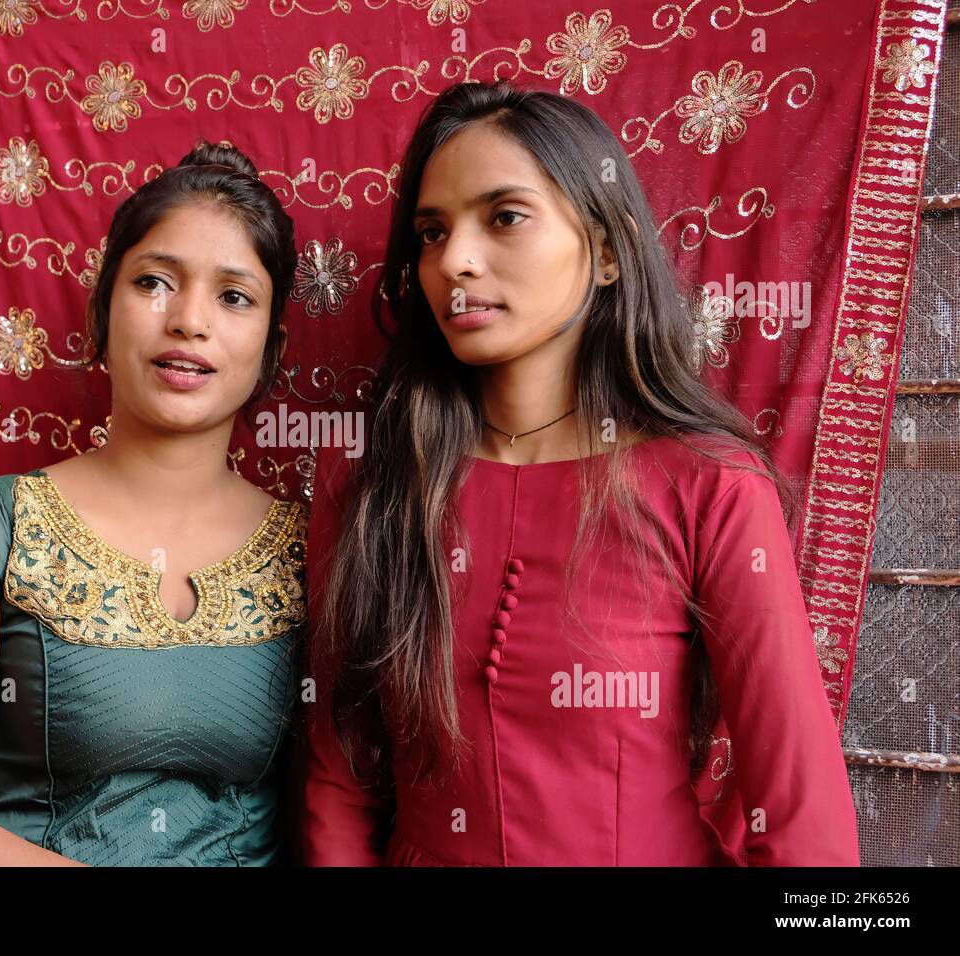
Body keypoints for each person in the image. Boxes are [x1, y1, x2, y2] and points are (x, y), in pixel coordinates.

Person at [301, 82, 860, 866]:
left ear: (604, 249)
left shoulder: (711, 486)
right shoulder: (367, 482)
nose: (454, 261)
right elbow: (341, 779)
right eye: (431, 232)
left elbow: (803, 822)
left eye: (504, 216)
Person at [0, 141, 308, 866]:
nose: (190, 321)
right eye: (155, 283)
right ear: (102, 312)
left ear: (272, 349)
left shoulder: (315, 551)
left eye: (234, 296)